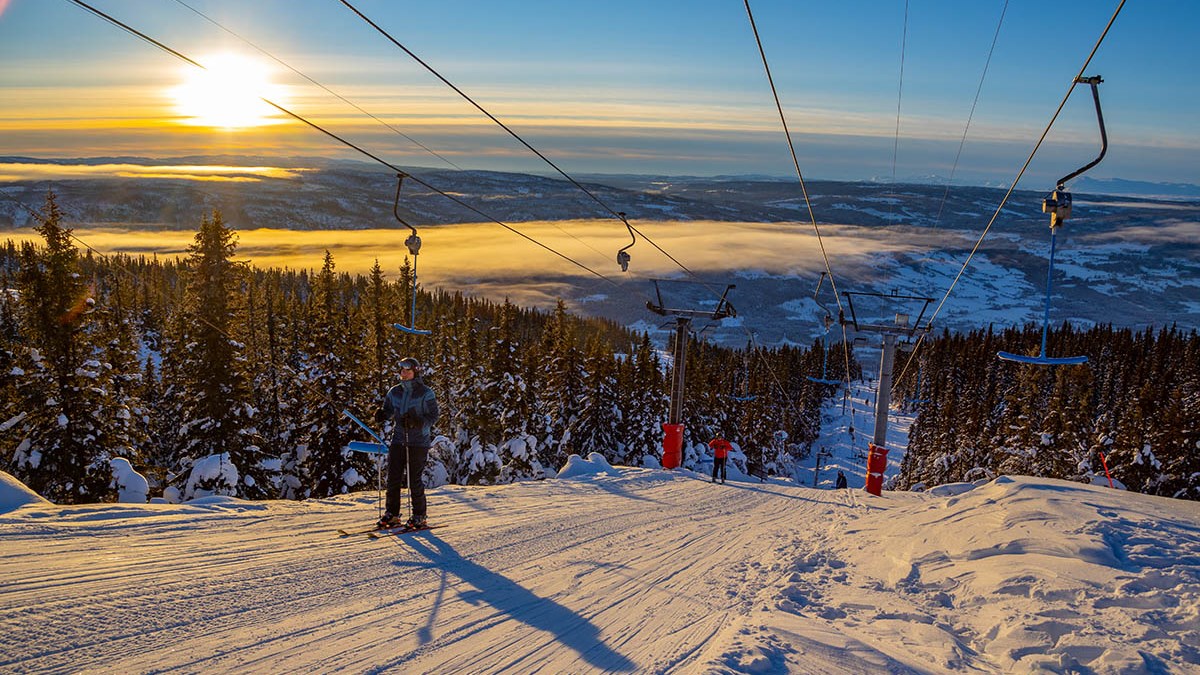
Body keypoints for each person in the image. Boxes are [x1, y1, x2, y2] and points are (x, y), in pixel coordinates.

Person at [374, 356, 439, 529]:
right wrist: (382, 415)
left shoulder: (426, 393)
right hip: (399, 439)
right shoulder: (394, 391)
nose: (403, 374)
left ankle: (419, 515)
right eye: (402, 371)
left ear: (415, 372)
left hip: (418, 442)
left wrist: (418, 422)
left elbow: (433, 416)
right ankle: (392, 514)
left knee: (413, 479)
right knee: (393, 478)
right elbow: (388, 410)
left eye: (407, 371)